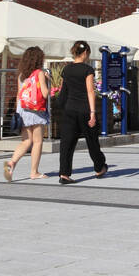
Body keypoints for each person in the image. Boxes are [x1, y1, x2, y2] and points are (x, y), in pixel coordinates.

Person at [56, 40, 107, 184]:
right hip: (84, 110)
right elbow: (90, 91)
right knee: (92, 141)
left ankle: (64, 174)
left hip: (69, 110)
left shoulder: (66, 70)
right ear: (85, 53)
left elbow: (63, 91)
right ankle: (99, 168)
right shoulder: (87, 70)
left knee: (67, 143)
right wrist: (92, 112)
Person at [5, 47, 50, 181]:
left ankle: (11, 162)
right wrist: (48, 81)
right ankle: (34, 172)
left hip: (23, 110)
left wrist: (18, 113)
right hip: (36, 111)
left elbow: (19, 95)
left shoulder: (21, 75)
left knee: (26, 141)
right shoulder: (39, 73)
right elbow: (45, 94)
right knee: (37, 142)